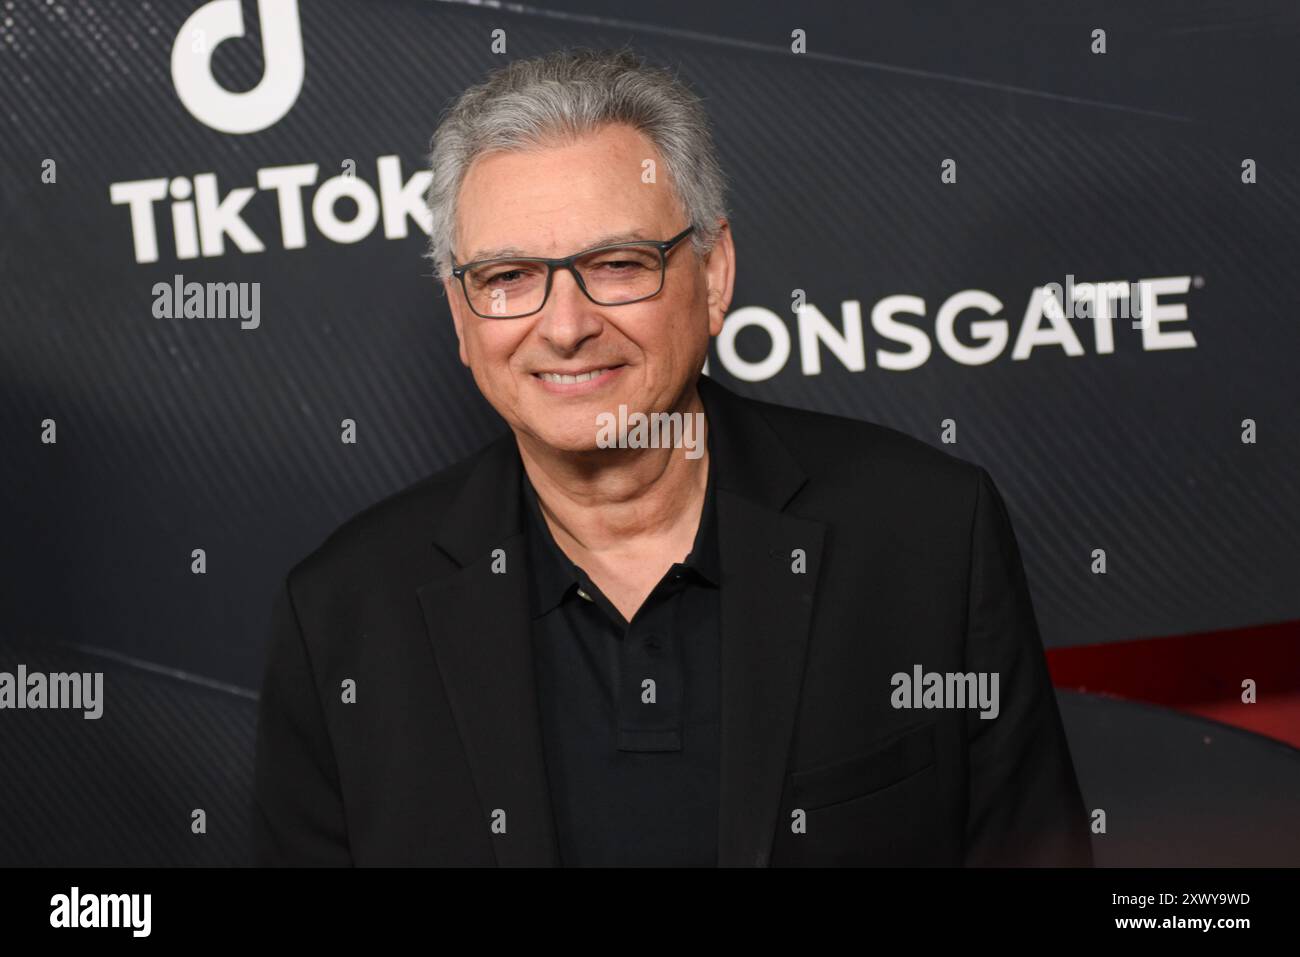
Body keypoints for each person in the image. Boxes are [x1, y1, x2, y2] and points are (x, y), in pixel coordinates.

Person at [252, 46, 1092, 867]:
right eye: (508, 276)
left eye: (617, 265)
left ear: (715, 274)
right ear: (462, 316)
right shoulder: (342, 617)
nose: (566, 325)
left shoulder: (930, 536)